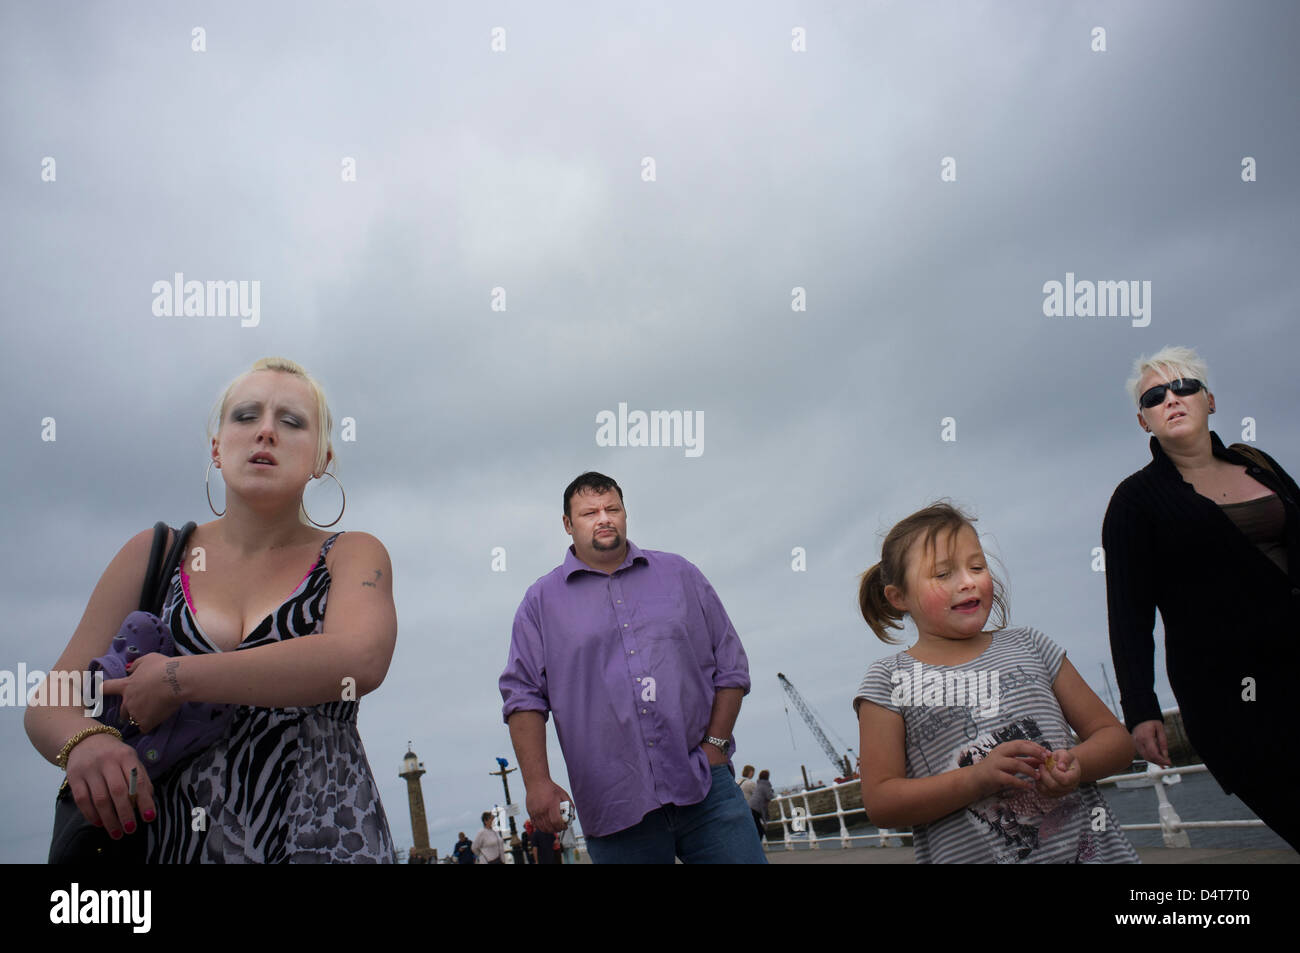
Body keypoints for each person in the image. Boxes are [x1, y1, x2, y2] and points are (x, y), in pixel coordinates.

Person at [24, 357, 397, 862]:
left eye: (291, 422)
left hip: (326, 836)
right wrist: (85, 742)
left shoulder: (352, 553)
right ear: (217, 448)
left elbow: (360, 659)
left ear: (321, 458)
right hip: (173, 842)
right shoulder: (154, 554)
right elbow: (52, 700)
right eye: (245, 416)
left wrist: (177, 678)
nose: (266, 431)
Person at [499, 471, 766, 864]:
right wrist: (537, 783)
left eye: (613, 508)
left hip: (707, 788)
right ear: (568, 525)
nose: (604, 518)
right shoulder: (539, 603)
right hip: (613, 807)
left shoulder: (680, 574)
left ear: (625, 514)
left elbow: (731, 666)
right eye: (589, 512)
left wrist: (716, 746)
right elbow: (523, 697)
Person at [854, 502, 1139, 863]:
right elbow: (882, 802)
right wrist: (978, 779)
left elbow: (1115, 740)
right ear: (899, 597)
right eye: (943, 574)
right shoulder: (887, 680)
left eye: (977, 566)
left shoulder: (1032, 645)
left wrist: (1076, 764)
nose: (968, 581)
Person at [1103, 346, 1300, 851]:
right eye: (1155, 395)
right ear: (1144, 420)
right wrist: (1141, 708)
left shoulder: (1260, 466)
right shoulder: (1135, 502)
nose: (1172, 397)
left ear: (1209, 400)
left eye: (1184, 386)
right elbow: (1129, 613)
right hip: (1233, 698)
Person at [747, 769, 774, 840]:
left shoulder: (758, 784)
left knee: (756, 828)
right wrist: (771, 791)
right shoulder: (765, 784)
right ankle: (756, 847)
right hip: (756, 809)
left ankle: (755, 846)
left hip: (750, 807)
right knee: (760, 830)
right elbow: (770, 796)